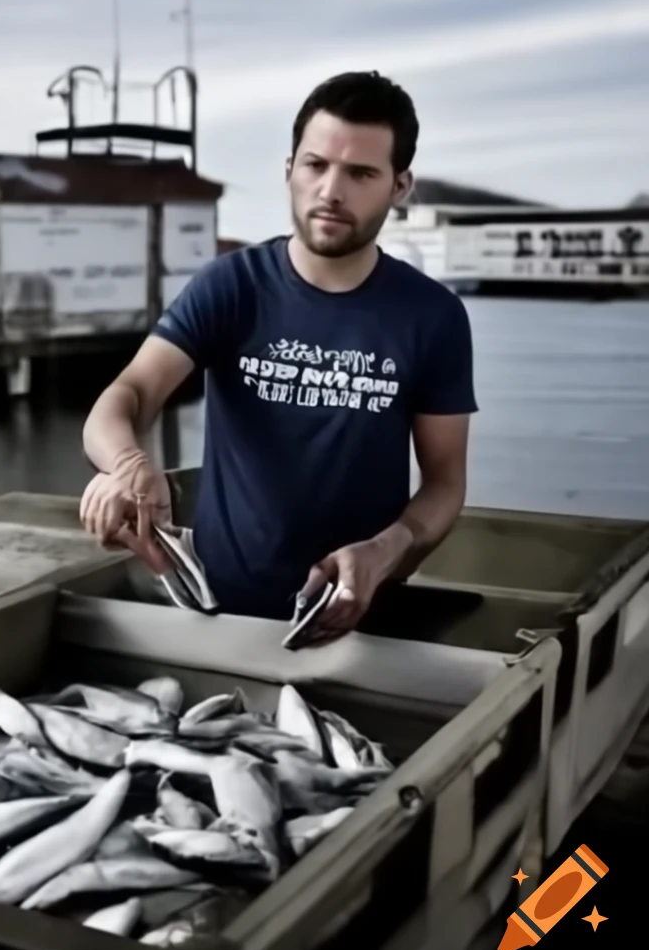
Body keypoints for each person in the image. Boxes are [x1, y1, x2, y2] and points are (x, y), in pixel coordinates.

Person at [79, 70, 478, 636]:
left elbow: (444, 483)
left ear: (400, 186)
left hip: (363, 619)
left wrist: (387, 550)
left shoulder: (432, 316)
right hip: (218, 613)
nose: (331, 191)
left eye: (361, 173)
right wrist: (127, 465)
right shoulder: (231, 287)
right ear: (290, 169)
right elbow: (129, 394)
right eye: (316, 165)